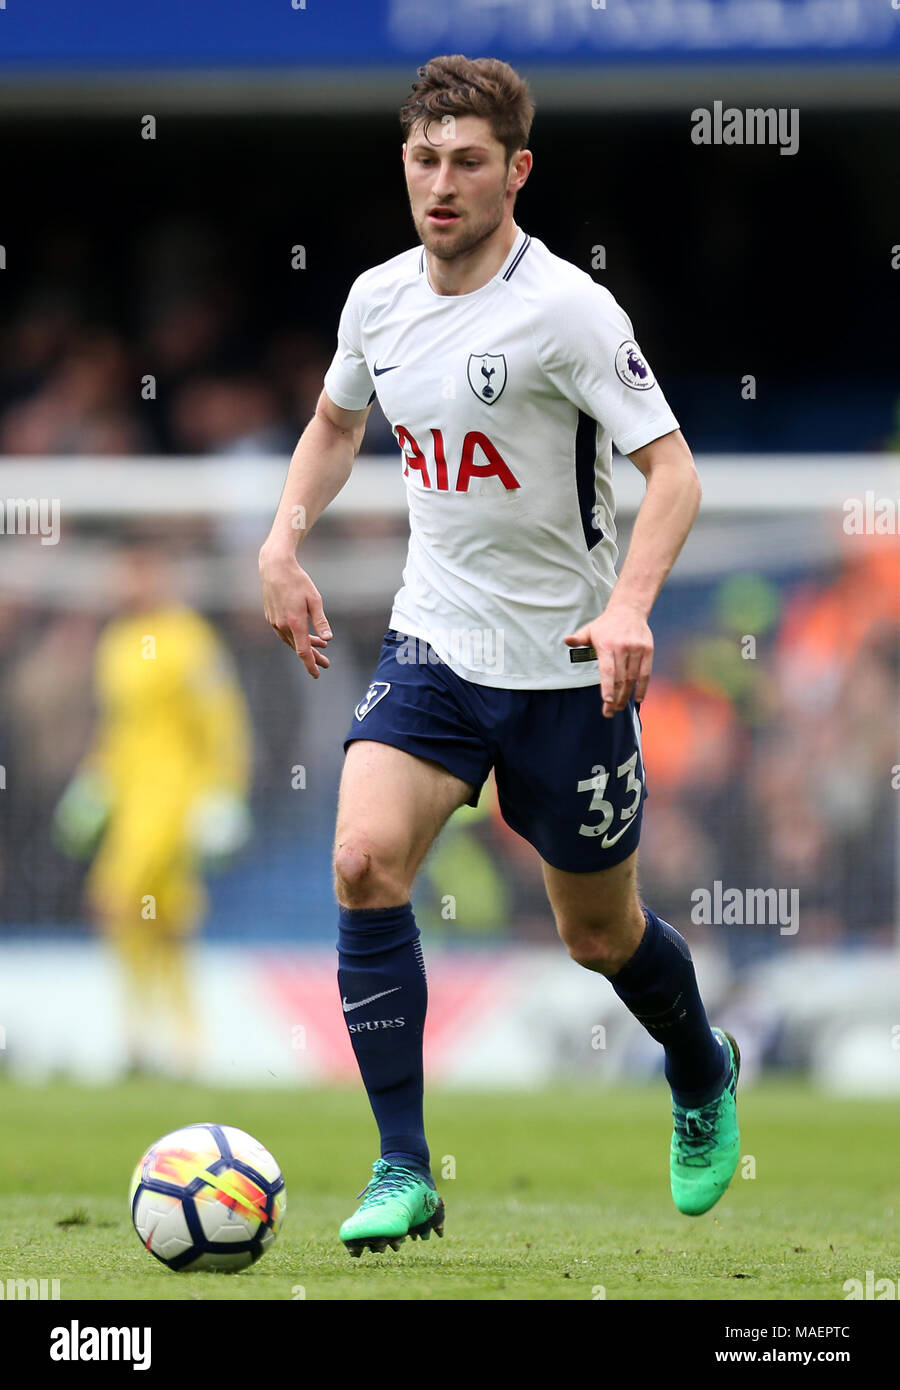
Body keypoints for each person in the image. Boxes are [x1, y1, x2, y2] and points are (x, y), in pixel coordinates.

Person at [260, 54, 740, 1257]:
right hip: (436, 642)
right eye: (424, 158)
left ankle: (698, 1063)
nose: (441, 182)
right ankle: (404, 1167)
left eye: (468, 160)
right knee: (364, 857)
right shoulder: (375, 299)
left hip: (572, 668)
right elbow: (335, 421)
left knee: (597, 935)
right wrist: (282, 539)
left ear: (515, 172)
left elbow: (673, 472)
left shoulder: (569, 310)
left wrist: (630, 606)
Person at [54, 538, 252, 1075]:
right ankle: (180, 1042)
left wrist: (225, 793)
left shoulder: (191, 640)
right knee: (163, 921)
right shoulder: (116, 641)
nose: (128, 586)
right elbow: (116, 727)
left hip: (177, 800)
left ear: (161, 577)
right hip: (130, 799)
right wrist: (94, 783)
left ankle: (141, 1036)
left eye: (139, 574)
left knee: (115, 898)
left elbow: (223, 722)